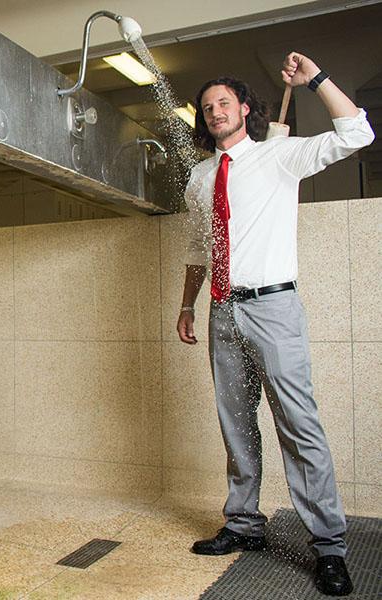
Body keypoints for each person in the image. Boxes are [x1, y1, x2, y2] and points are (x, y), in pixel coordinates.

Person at [176, 52, 374, 597]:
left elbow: (357, 132)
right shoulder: (199, 176)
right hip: (221, 309)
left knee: (298, 425)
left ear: (244, 109)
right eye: (206, 106)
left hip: (274, 308)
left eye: (223, 102)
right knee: (235, 424)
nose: (214, 111)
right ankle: (243, 526)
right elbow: (201, 245)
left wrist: (317, 80)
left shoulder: (280, 155)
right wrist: (188, 304)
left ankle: (329, 547)